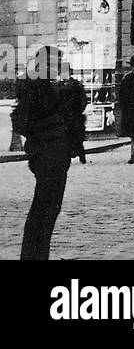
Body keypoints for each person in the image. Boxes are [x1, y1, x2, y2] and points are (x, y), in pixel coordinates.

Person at [13, 46, 72, 260]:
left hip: (51, 154)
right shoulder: (37, 86)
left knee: (47, 210)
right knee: (44, 210)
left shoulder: (42, 85)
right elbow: (23, 121)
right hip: (48, 155)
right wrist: (47, 137)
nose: (58, 68)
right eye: (55, 64)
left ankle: (37, 256)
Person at [56, 61, 89, 165]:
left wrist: (79, 110)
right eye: (61, 72)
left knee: (77, 138)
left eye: (65, 72)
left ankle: (82, 157)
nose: (63, 74)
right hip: (62, 117)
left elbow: (83, 99)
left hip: (75, 116)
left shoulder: (76, 84)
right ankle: (66, 158)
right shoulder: (56, 86)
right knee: (64, 139)